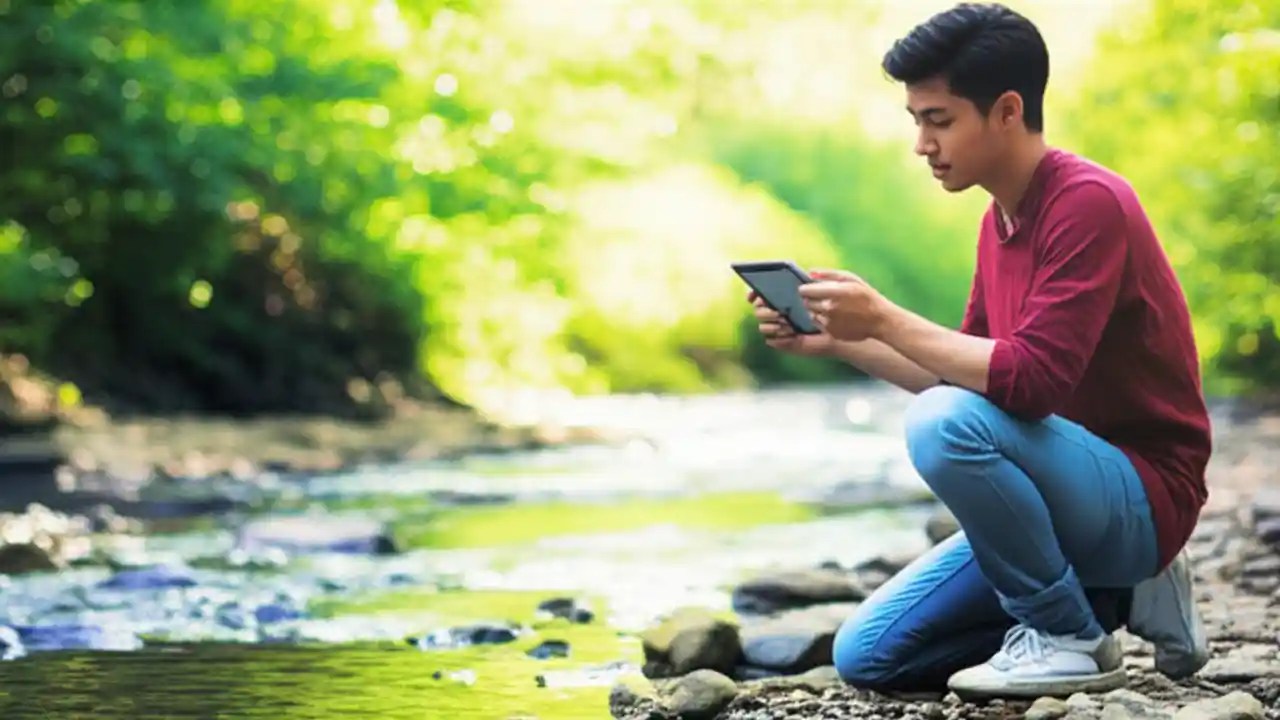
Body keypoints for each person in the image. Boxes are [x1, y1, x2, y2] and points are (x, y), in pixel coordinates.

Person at [748, 1, 1213, 700]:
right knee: (868, 656)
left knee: (941, 423)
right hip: (1068, 493)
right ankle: (1118, 598)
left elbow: (1029, 384)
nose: (922, 143)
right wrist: (845, 342)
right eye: (916, 122)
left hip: (1144, 493)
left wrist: (885, 314)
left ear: (1006, 111)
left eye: (939, 120)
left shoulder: (1090, 204)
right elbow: (963, 373)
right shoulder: (998, 223)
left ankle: (1070, 637)